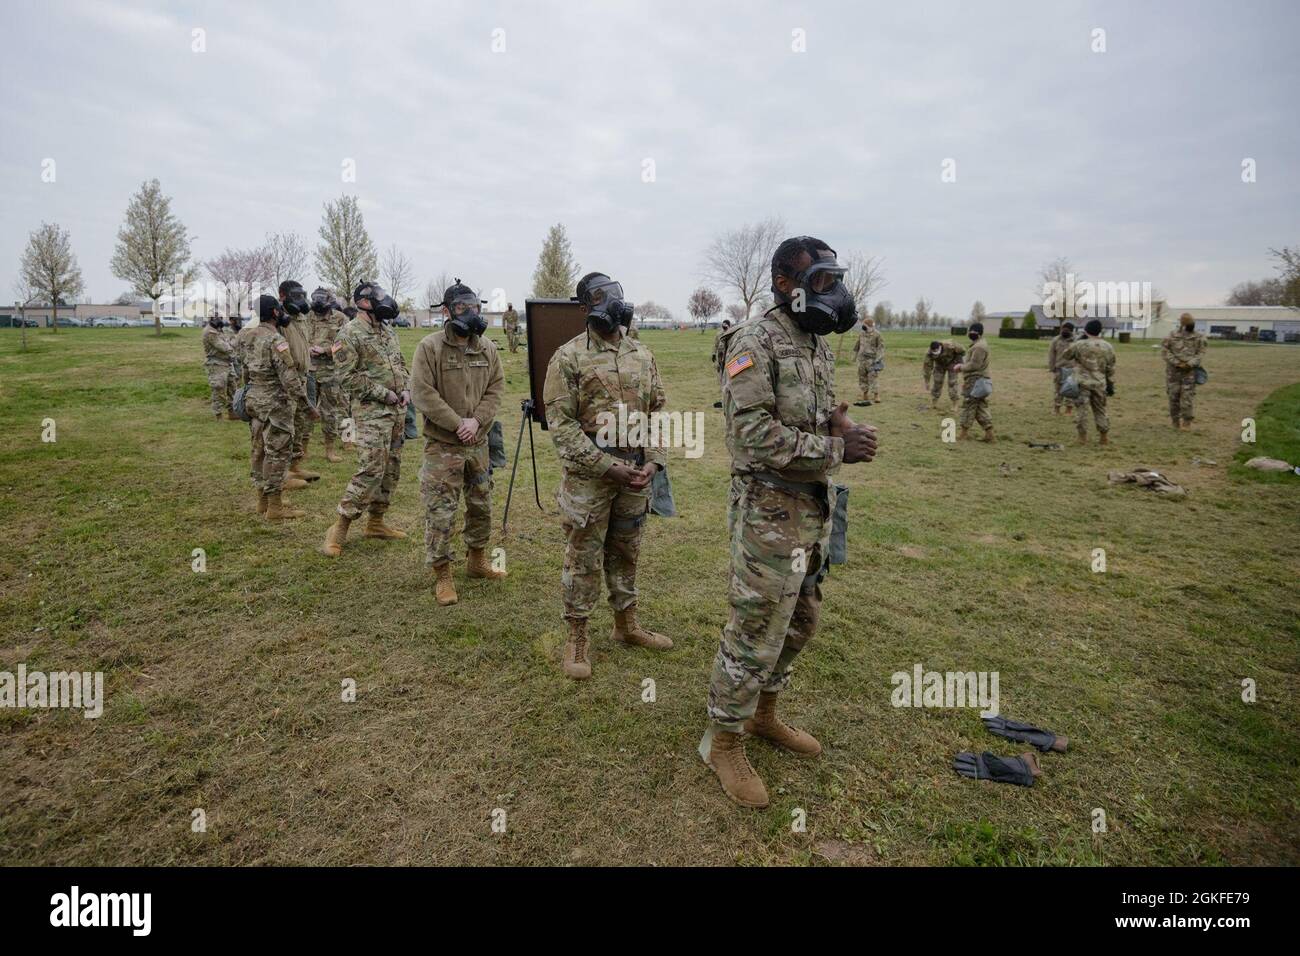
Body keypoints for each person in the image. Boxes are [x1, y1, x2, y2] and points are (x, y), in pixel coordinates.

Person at [702, 236, 878, 808]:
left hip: (812, 507)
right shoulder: (752, 341)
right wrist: (837, 450)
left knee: (801, 619)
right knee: (755, 627)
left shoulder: (816, 343)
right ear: (785, 283)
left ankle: (765, 715)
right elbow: (753, 436)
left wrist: (841, 422)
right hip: (768, 508)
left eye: (834, 280)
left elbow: (818, 406)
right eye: (820, 281)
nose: (834, 293)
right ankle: (723, 742)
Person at [543, 271, 671, 680]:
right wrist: (605, 466)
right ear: (584, 307)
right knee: (584, 556)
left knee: (626, 550)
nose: (612, 302)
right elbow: (560, 426)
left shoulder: (642, 354)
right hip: (590, 477)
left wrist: (653, 460)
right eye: (601, 297)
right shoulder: (567, 357)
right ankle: (577, 636)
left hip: (634, 471)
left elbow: (656, 412)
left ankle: (626, 625)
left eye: (615, 294)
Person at [408, 280, 506, 605]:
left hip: (478, 443)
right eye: (463, 307)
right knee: (440, 511)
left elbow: (495, 389)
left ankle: (477, 561)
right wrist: (456, 423)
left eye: (475, 306)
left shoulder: (487, 348)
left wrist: (476, 421)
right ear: (447, 312)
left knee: (481, 504)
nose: (471, 312)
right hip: (443, 446)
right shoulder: (430, 347)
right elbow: (423, 392)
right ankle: (443, 574)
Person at [320, 281, 411, 557]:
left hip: (397, 412)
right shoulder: (348, 334)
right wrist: (385, 394)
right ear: (364, 303)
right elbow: (347, 378)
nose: (385, 302)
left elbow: (400, 364)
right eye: (378, 298)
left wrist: (405, 388)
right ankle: (339, 528)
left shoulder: (387, 330)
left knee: (391, 468)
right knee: (371, 468)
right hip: (372, 413)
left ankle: (376, 522)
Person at [244, 295, 318, 520]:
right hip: (276, 405)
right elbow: (289, 378)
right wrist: (307, 406)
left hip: (255, 400)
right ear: (275, 313)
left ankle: (262, 501)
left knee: (258, 451)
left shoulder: (247, 337)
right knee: (277, 454)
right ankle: (275, 507)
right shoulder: (275, 340)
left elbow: (244, 372)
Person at [278, 281, 320, 483]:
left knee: (300, 423)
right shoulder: (275, 317)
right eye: (296, 296)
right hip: (285, 380)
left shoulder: (301, 317)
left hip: (303, 376)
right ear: (283, 295)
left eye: (303, 295)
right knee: (285, 427)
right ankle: (282, 475)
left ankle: (295, 467)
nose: (301, 300)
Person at [308, 287, 348, 462]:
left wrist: (325, 350)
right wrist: (306, 348)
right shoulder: (306, 317)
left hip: (331, 372)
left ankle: (331, 449)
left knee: (330, 411)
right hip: (308, 371)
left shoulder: (340, 318)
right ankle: (303, 449)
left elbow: (346, 342)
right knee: (305, 410)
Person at [1062, 318, 1116, 445]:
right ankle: (1104, 437)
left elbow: (1066, 355)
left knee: (1082, 410)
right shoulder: (1108, 346)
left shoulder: (1080, 344)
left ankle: (1082, 437)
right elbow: (1111, 367)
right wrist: (1110, 384)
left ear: (1086, 330)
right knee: (1100, 410)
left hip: (1082, 383)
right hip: (1100, 383)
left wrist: (1077, 341)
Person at [1162, 312, 1207, 430]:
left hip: (1190, 373)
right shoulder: (1171, 336)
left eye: (1192, 323)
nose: (1191, 325)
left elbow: (1201, 353)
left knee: (1187, 397)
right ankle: (1175, 421)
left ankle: (1186, 422)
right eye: (1188, 323)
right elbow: (1165, 352)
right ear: (1182, 324)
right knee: (1173, 397)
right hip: (1173, 373)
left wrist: (1189, 364)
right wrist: (1178, 363)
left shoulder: (1199, 337)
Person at [957, 322, 993, 441]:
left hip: (975, 381)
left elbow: (975, 365)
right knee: (979, 407)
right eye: (970, 331)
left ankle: (963, 433)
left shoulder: (979, 347)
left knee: (969, 405)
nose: (971, 334)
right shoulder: (979, 344)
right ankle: (989, 434)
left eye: (973, 332)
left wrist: (960, 367)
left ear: (979, 333)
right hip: (980, 381)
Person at [201, 312, 236, 419]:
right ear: (210, 318)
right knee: (219, 389)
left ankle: (232, 413)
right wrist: (233, 346)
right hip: (217, 364)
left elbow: (231, 340)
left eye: (220, 317)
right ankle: (218, 414)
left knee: (233, 388)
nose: (219, 319)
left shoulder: (219, 330)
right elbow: (224, 347)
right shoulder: (209, 332)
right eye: (216, 317)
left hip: (227, 363)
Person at [922, 339, 965, 408]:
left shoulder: (950, 345)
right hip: (939, 365)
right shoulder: (929, 353)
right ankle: (934, 402)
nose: (935, 352)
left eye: (937, 351)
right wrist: (927, 382)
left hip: (952, 363)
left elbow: (962, 351)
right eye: (934, 352)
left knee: (952, 383)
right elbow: (927, 367)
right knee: (937, 381)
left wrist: (960, 363)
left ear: (940, 347)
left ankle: (955, 403)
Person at [852, 316, 884, 404]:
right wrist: (854, 356)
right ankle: (865, 394)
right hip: (861, 360)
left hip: (872, 360)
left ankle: (876, 395)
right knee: (862, 377)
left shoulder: (877, 334)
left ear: (870, 326)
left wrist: (878, 359)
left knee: (873, 378)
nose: (863, 326)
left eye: (865, 325)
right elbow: (857, 345)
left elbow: (880, 348)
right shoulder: (861, 334)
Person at [1047, 321, 1076, 414]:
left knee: (1071, 390)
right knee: (1058, 390)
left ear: (1072, 331)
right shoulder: (1055, 340)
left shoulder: (1076, 341)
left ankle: (1068, 410)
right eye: (1063, 329)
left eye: (1067, 330)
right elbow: (1051, 355)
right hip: (1059, 369)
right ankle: (1056, 409)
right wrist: (1052, 368)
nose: (1064, 331)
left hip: (1072, 370)